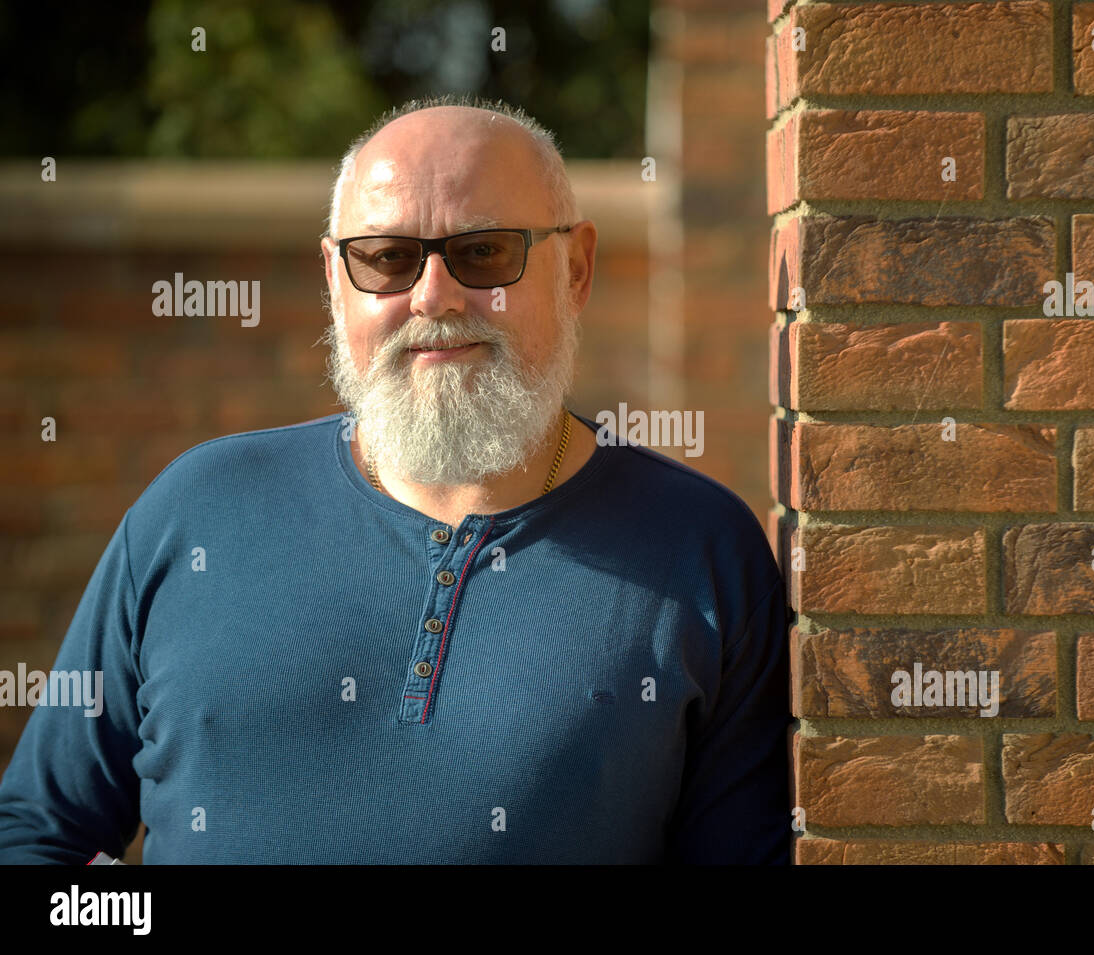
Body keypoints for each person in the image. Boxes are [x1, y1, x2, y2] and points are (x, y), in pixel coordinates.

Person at [0, 95, 792, 864]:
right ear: (335, 281)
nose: (434, 296)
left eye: (484, 252)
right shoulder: (195, 512)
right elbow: (37, 834)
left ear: (576, 268)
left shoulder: (702, 553)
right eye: (386, 258)